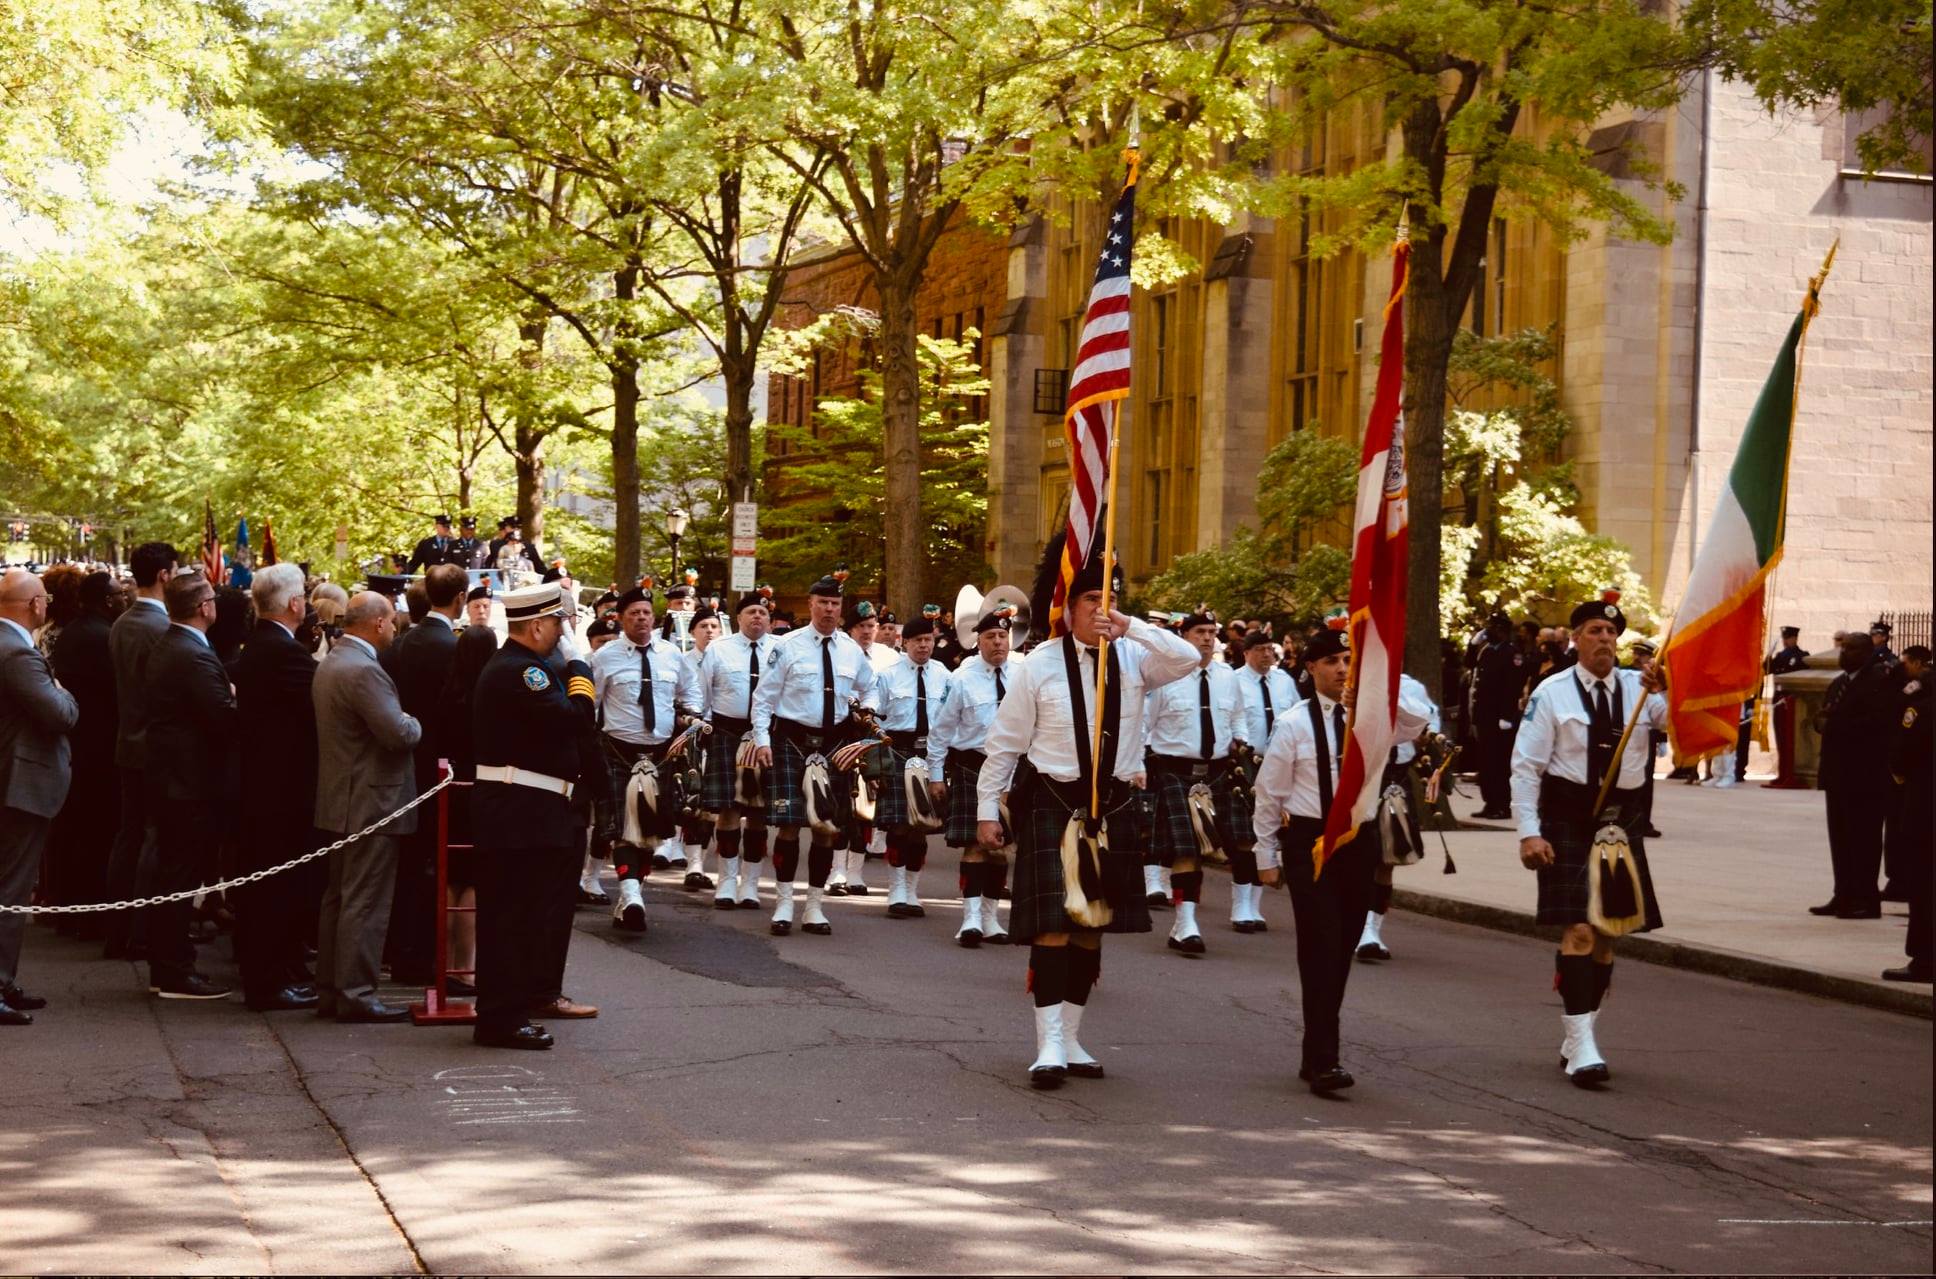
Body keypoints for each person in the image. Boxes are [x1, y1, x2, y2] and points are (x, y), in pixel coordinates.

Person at [977, 532, 1200, 1089]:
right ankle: (1047, 1044)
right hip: (1054, 802)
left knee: (1091, 929)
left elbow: (1191, 657)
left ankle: (1072, 1036)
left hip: (1115, 805)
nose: (1102, 611)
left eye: (1111, 601)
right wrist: (986, 808)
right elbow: (1004, 744)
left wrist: (1135, 628)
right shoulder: (1036, 665)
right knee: (1053, 927)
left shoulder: (1135, 660)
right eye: (1091, 602)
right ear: (1068, 608)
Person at [1252, 629, 1432, 1095]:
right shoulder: (1294, 723)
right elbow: (1270, 794)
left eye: (1347, 659)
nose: (1341, 669)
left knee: (1342, 948)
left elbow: (1417, 724)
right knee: (1321, 948)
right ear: (1310, 668)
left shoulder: (1372, 718)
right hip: (1311, 843)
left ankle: (1318, 1055)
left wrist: (1377, 693)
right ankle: (1323, 1059)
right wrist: (1265, 855)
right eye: (1331, 660)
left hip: (1359, 841)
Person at [1509, 599, 1667, 1089]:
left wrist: (1670, 687)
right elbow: (1526, 767)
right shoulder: (1552, 693)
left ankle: (1581, 1033)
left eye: (1611, 632)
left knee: (1607, 935)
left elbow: (1679, 722)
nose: (1605, 639)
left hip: (1619, 825)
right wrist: (1528, 831)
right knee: (1578, 930)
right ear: (1575, 638)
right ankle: (1581, 1046)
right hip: (1567, 822)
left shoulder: (1641, 693)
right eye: (1595, 630)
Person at [469, 581, 602, 1049]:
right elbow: (575, 716)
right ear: (540, 624)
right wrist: (582, 661)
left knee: (520, 918)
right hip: (518, 813)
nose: (563, 632)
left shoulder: (524, 667)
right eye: (559, 624)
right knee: (513, 920)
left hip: (526, 811)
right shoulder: (523, 671)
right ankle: (503, 1018)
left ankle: (508, 1012)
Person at [749, 570, 882, 937]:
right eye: (822, 602)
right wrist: (762, 740)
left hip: (833, 745)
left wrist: (867, 711)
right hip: (791, 741)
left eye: (835, 604)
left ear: (841, 609)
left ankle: (815, 906)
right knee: (789, 826)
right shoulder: (786, 645)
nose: (828, 609)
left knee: (827, 829)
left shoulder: (851, 650)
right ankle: (784, 904)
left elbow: (871, 689)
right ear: (810, 604)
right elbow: (763, 700)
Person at [312, 591, 422, 1022]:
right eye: (392, 622)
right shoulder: (363, 671)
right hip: (372, 802)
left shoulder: (335, 662)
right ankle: (356, 993)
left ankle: (332, 988)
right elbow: (398, 732)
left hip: (344, 796)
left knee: (339, 899)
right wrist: (416, 721)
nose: (394, 629)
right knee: (364, 902)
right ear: (377, 623)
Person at [229, 564, 324, 1011]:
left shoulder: (265, 646)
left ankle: (276, 973)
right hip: (278, 792)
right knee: (273, 892)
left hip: (266, 788)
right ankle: (268, 983)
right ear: (293, 604)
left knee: (272, 890)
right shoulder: (281, 652)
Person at [142, 572, 239, 1001]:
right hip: (187, 782)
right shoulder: (190, 653)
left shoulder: (173, 645)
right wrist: (234, 698)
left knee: (175, 875)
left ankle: (169, 964)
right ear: (204, 607)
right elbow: (221, 717)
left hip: (173, 777)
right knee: (179, 878)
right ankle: (174, 970)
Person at [594, 586, 703, 931]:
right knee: (625, 832)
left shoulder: (672, 655)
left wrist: (692, 716)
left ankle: (629, 899)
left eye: (645, 612)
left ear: (653, 617)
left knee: (650, 833)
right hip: (618, 751)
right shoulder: (605, 657)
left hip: (661, 754)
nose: (641, 618)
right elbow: (591, 704)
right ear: (621, 619)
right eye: (633, 613)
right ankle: (632, 894)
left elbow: (690, 693)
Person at [1143, 610, 1249, 953]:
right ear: (1183, 637)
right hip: (1174, 770)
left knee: (1208, 849)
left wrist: (1241, 741)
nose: (1207, 638)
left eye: (1211, 632)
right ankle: (1185, 923)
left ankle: (1186, 920)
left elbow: (1237, 716)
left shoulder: (1227, 676)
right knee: (1186, 848)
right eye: (1199, 632)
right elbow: (1146, 725)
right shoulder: (1165, 677)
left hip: (1215, 772)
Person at [380, 564, 467, 985]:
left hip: (404, 763)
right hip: (441, 768)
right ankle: (422, 956)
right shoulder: (452, 648)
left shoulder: (401, 644)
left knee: (409, 863)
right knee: (432, 865)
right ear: (461, 598)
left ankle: (401, 950)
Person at [1, 568, 79, 1024]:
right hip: (19, 784)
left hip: (16, 779)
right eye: (43, 598)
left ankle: (5, 980)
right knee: (11, 890)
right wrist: (62, 692)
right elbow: (60, 713)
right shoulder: (16, 653)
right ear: (34, 605)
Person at [103, 541, 178, 960]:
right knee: (151, 838)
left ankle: (119, 926)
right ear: (164, 575)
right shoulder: (159, 627)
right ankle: (140, 930)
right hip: (154, 746)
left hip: (128, 741)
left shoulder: (121, 624)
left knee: (129, 836)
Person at [928, 604, 1016, 946]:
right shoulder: (961, 678)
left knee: (1000, 847)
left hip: (1012, 769)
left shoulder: (1023, 675)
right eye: (991, 636)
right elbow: (940, 730)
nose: (998, 642)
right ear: (978, 641)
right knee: (976, 847)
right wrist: (936, 774)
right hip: (973, 767)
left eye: (1003, 636)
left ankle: (992, 918)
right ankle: (970, 919)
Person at [695, 590, 782, 910]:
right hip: (727, 733)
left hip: (766, 737)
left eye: (762, 612)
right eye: (751, 612)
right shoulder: (719, 650)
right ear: (738, 619)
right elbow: (702, 693)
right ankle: (727, 881)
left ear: (769, 620)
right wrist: (701, 728)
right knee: (729, 809)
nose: (757, 617)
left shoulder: (780, 649)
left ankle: (751, 884)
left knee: (759, 811)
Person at [870, 613, 954, 919]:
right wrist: (875, 767)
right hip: (897, 750)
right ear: (904, 643)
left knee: (923, 824)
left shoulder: (944, 674)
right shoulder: (888, 675)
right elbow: (874, 721)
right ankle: (895, 891)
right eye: (917, 640)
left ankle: (912, 890)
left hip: (931, 751)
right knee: (899, 824)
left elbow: (950, 717)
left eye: (928, 640)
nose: (924, 645)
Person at [47, 571, 119, 926]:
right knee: (94, 830)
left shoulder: (74, 632)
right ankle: (88, 910)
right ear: (107, 600)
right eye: (118, 595)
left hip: (78, 743)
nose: (123, 599)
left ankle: (69, 904)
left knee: (76, 828)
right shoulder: (101, 637)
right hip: (98, 745)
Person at [1356, 672, 1442, 962]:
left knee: (1388, 857)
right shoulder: (1356, 681)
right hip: (1364, 776)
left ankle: (1372, 930)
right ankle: (1355, 925)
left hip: (1396, 777)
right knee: (1360, 857)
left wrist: (1424, 737)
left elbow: (1432, 726)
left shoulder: (1412, 688)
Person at [1812, 632, 1896, 920]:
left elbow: (1878, 724)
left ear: (1865, 652)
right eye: (1842, 648)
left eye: (1850, 649)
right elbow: (1825, 718)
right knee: (1841, 837)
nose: (1843, 653)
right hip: (1837, 775)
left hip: (1865, 777)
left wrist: (1836, 721)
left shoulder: (1878, 682)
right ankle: (1843, 894)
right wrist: (1821, 721)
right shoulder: (1839, 683)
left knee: (1865, 839)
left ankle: (1866, 900)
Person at [434, 624, 498, 993]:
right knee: (473, 880)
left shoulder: (449, 693)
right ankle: (465, 965)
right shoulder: (487, 695)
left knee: (450, 879)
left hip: (449, 789)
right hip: (479, 785)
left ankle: (446, 962)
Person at [829, 600, 899, 895]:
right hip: (842, 733)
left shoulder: (888, 657)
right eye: (862, 626)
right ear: (850, 629)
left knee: (867, 805)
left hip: (873, 734)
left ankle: (856, 873)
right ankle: (837, 871)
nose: (869, 631)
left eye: (873, 626)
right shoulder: (839, 651)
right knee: (841, 805)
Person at [1884, 660, 1931, 983]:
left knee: (1925, 887)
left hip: (1925, 810)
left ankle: (1925, 960)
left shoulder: (1920, 710)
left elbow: (1900, 756)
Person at [1469, 612, 1525, 820]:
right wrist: (1472, 643)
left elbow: (1512, 686)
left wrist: (1507, 715)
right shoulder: (1487, 651)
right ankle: (1489, 802)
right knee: (1485, 762)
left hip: (1500, 718)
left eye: (1491, 627)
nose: (1488, 631)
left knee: (1500, 764)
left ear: (1501, 630)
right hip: (1484, 715)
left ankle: (1502, 805)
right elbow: (1469, 664)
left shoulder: (1512, 653)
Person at [1234, 631, 1296, 748]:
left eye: (1269, 649)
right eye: (1260, 649)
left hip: (1283, 756)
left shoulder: (1284, 680)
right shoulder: (1234, 681)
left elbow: (1298, 717)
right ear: (1246, 653)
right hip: (1247, 758)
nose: (1267, 654)